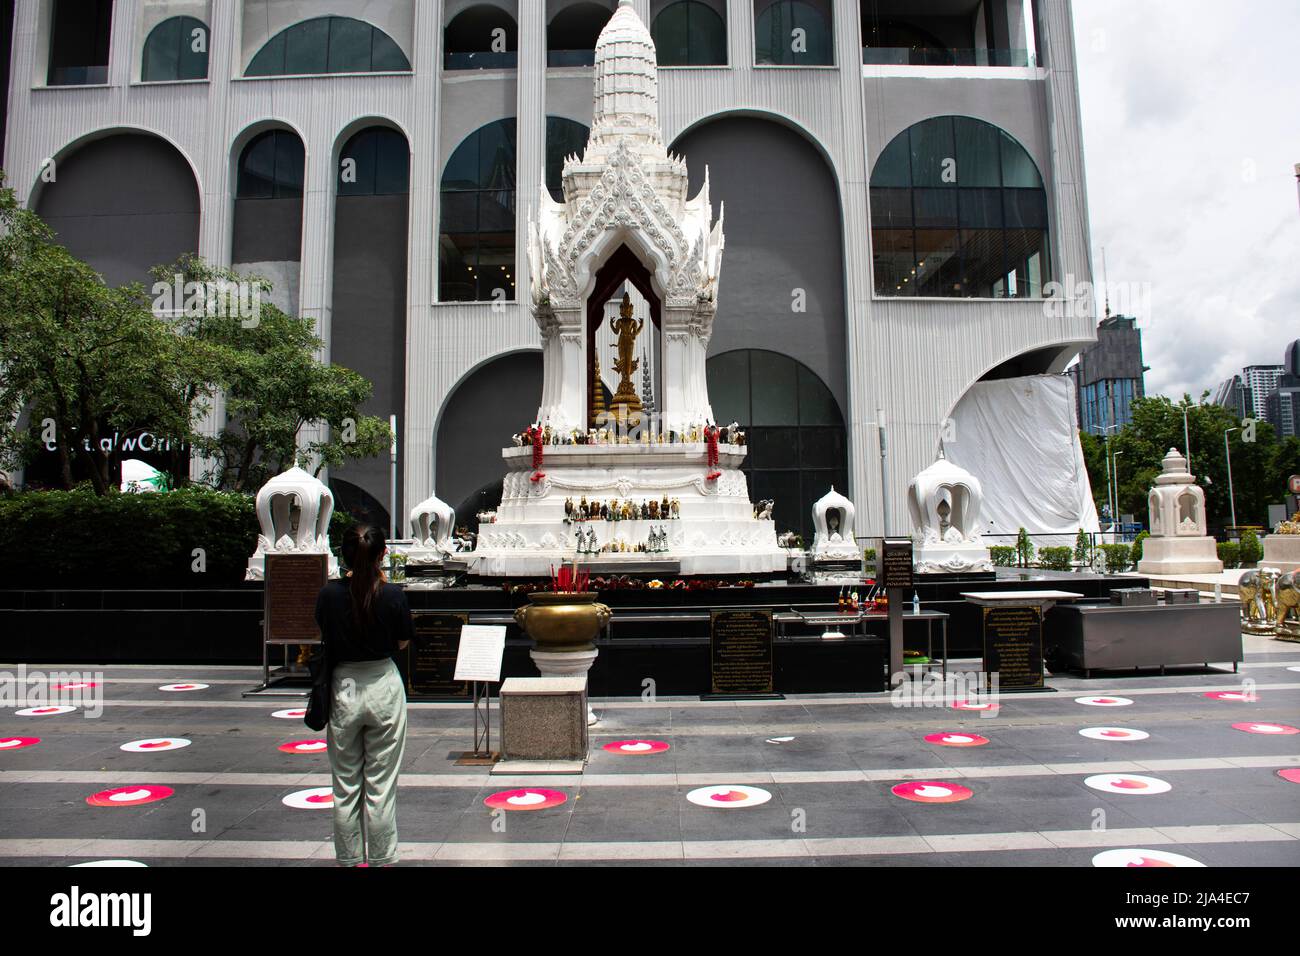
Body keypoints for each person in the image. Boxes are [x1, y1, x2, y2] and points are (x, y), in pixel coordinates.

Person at [314, 525, 413, 867]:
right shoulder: (393, 594)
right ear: (384, 554)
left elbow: (324, 632)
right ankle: (383, 858)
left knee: (345, 787)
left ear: (344, 556)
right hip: (382, 684)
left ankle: (350, 859)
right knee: (381, 787)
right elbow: (402, 642)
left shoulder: (329, 595)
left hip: (345, 687)